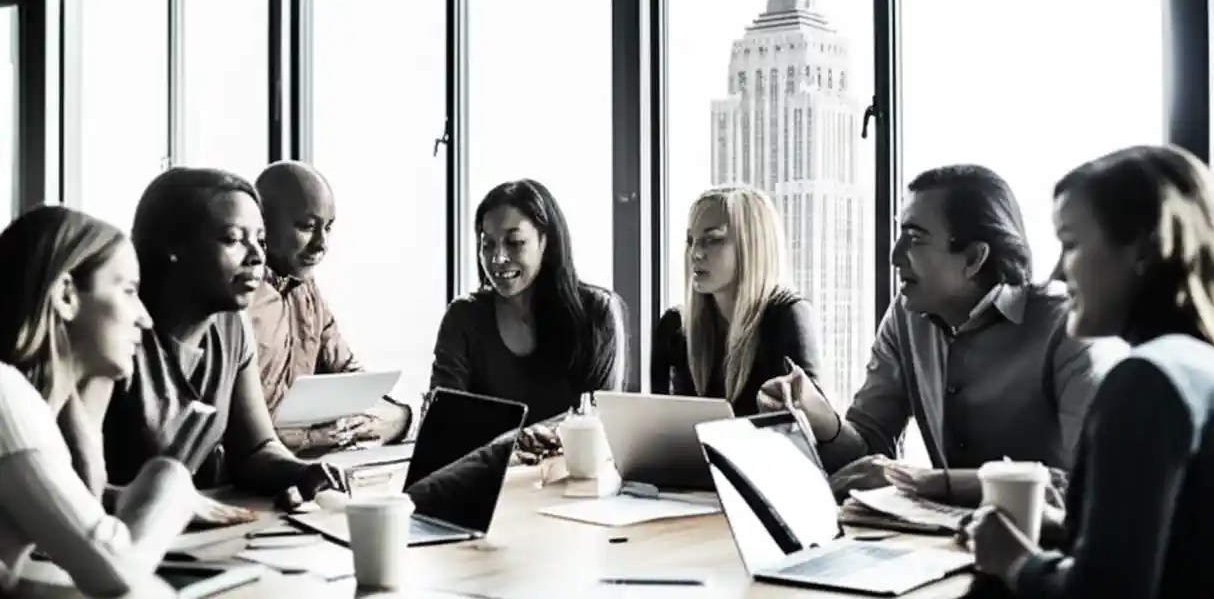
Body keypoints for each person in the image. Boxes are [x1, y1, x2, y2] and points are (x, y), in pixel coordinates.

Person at [967, 145, 1214, 597]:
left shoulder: (1147, 381)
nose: (1057, 271)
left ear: (1143, 248)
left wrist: (1014, 561)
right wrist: (1077, 532)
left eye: (1071, 243)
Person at [760, 165, 1117, 505]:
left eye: (915, 238)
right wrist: (823, 420)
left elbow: (1087, 485)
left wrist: (928, 482)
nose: (894, 255)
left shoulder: (1070, 329)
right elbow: (868, 455)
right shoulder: (905, 317)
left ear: (974, 257)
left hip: (1035, 553)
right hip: (937, 546)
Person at [102, 168, 340, 509]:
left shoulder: (232, 324)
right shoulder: (114, 333)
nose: (257, 257)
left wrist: (304, 473)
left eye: (259, 239)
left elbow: (255, 450)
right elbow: (65, 483)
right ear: (173, 244)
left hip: (196, 531)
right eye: (232, 239)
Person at [0, 206, 196, 596]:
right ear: (67, 295)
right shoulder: (5, 395)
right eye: (127, 291)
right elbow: (120, 579)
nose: (146, 319)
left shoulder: (35, 410)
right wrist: (169, 495)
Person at [430, 179, 625, 463]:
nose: (498, 258)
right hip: (487, 480)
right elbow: (443, 420)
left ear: (546, 241)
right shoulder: (464, 317)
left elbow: (600, 417)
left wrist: (526, 436)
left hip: (573, 478)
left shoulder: (597, 313)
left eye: (515, 242)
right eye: (488, 244)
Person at [250, 161, 412, 455]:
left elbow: (354, 379)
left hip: (305, 462)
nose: (322, 244)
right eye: (307, 227)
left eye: (328, 227)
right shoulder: (238, 301)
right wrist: (317, 437)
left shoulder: (307, 291)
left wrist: (400, 417)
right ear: (263, 224)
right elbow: (236, 430)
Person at [651, 185, 820, 416]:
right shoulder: (675, 328)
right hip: (688, 454)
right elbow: (657, 425)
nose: (696, 253)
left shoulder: (787, 317)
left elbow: (811, 429)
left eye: (712, 240)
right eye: (691, 240)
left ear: (751, 246)